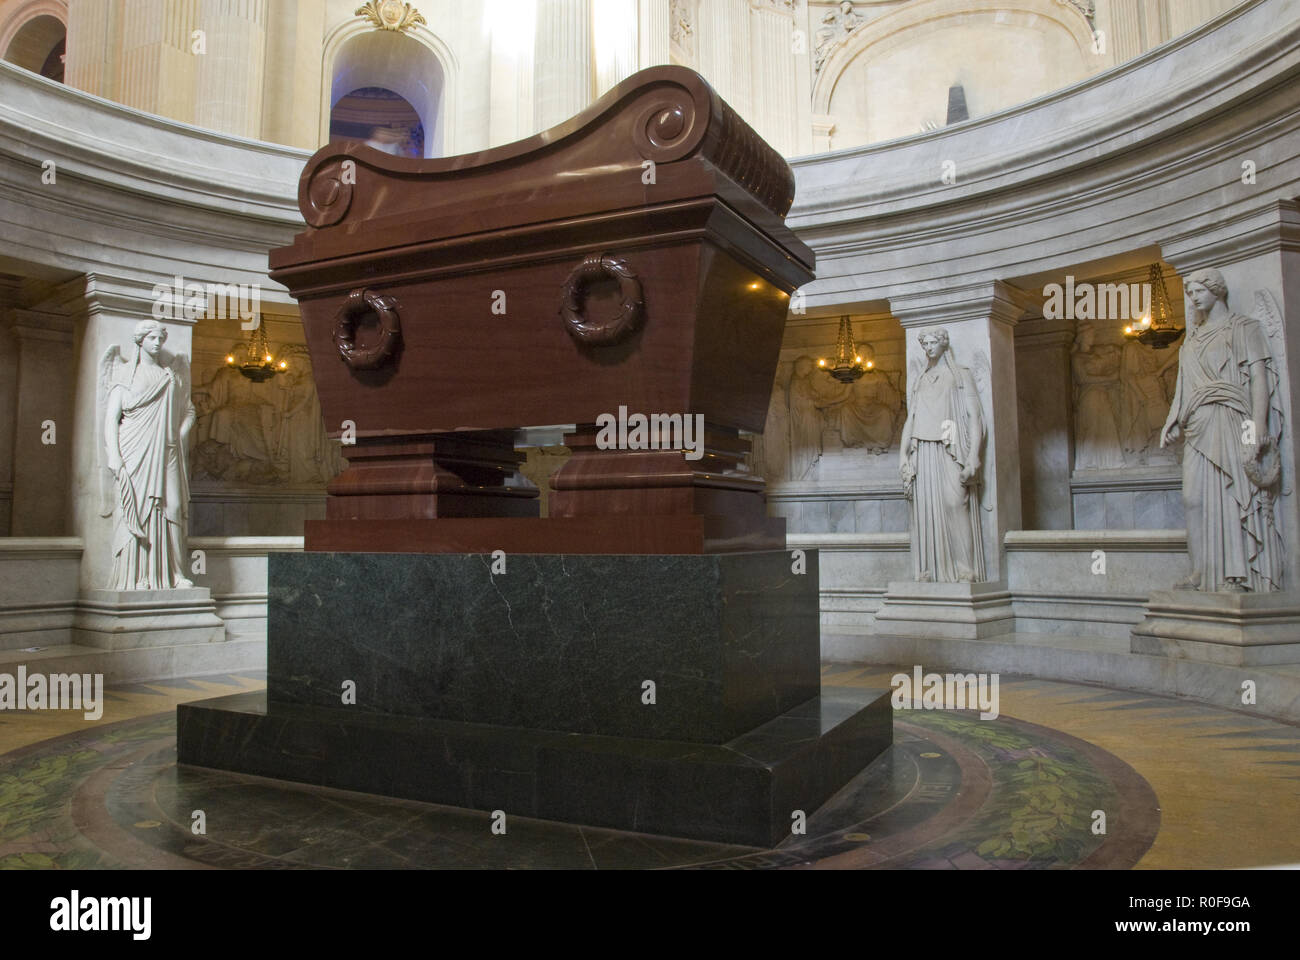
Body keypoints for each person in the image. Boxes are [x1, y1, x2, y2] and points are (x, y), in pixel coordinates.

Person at [1159, 269, 1283, 592]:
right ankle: (1200, 571)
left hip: (1233, 419)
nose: (1194, 297)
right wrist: (1173, 421)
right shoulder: (1193, 339)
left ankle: (1236, 575)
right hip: (1198, 426)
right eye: (1190, 293)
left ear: (1217, 290)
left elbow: (1259, 380)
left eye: (1199, 290)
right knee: (1192, 498)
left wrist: (1255, 428)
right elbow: (1183, 389)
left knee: (1232, 496)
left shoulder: (1243, 329)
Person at [102, 319, 195, 590]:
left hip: (168, 451)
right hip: (136, 451)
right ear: (140, 341)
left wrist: (181, 433)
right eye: (152, 338)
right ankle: (138, 575)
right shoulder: (126, 377)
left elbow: (189, 410)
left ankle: (175, 573)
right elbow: (111, 420)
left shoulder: (171, 376)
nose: (157, 343)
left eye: (160, 339)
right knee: (140, 510)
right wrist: (114, 456)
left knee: (174, 508)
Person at [899, 328, 986, 582]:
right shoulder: (921, 379)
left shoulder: (960, 375)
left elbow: (974, 416)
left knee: (955, 502)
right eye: (924, 343)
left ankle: (965, 568)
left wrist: (974, 455)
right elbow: (910, 419)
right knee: (925, 509)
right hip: (922, 449)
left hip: (950, 446)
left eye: (933, 342)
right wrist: (902, 456)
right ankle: (929, 570)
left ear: (943, 343)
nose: (928, 347)